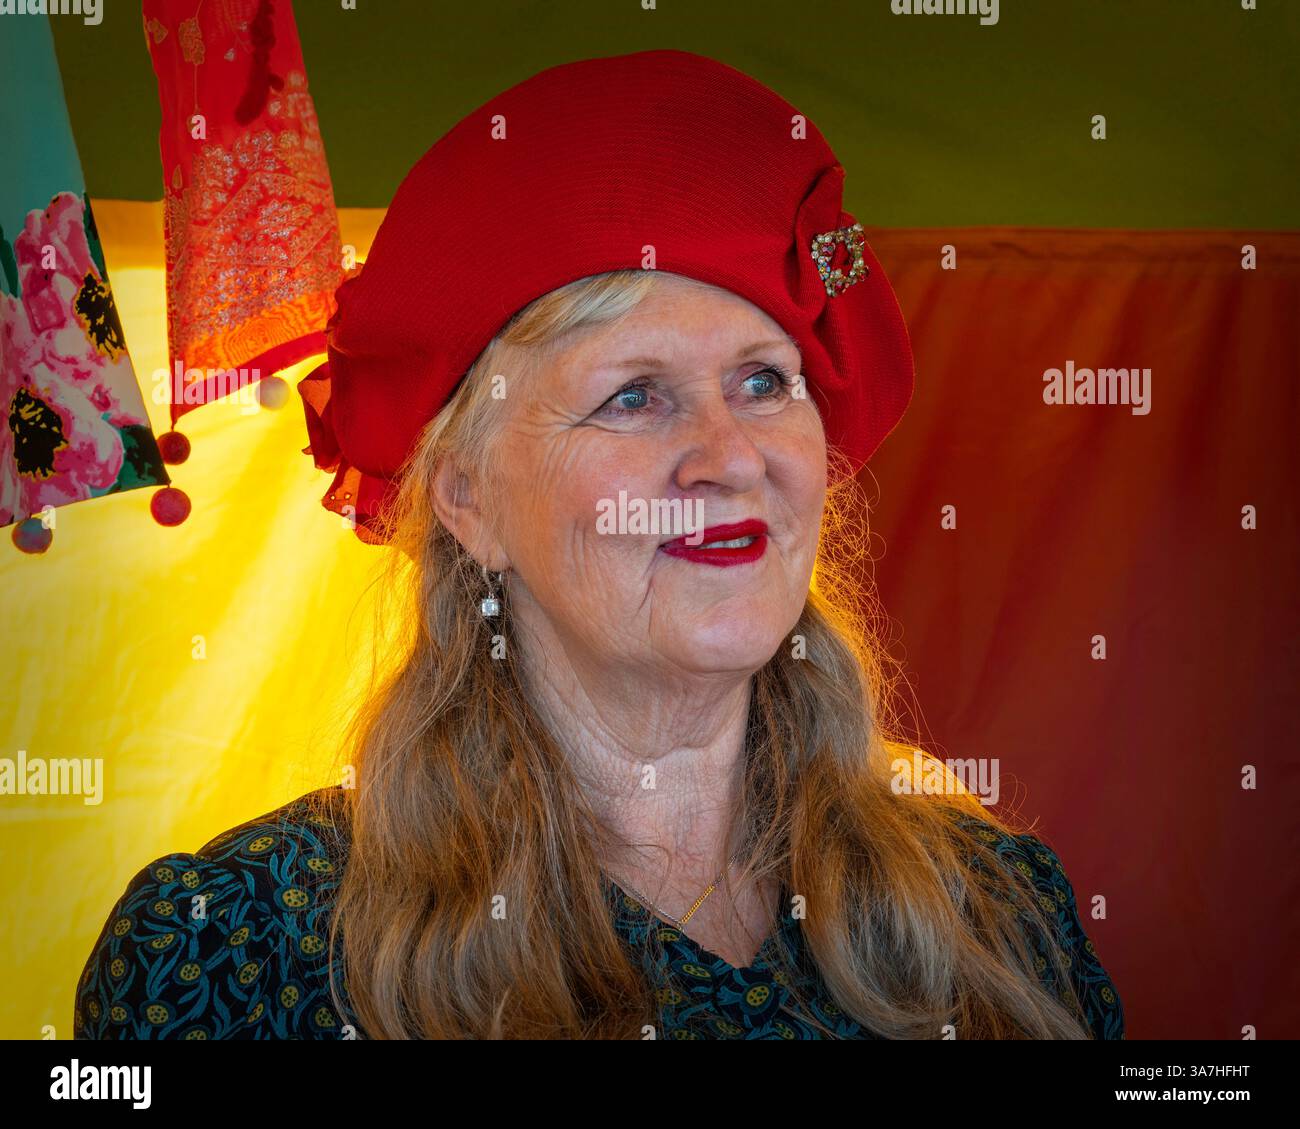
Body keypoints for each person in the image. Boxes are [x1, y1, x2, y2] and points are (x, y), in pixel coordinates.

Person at [75, 49, 1124, 1040]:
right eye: (634, 396)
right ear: (468, 497)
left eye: (764, 381)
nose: (730, 455)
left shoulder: (997, 918)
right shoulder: (240, 955)